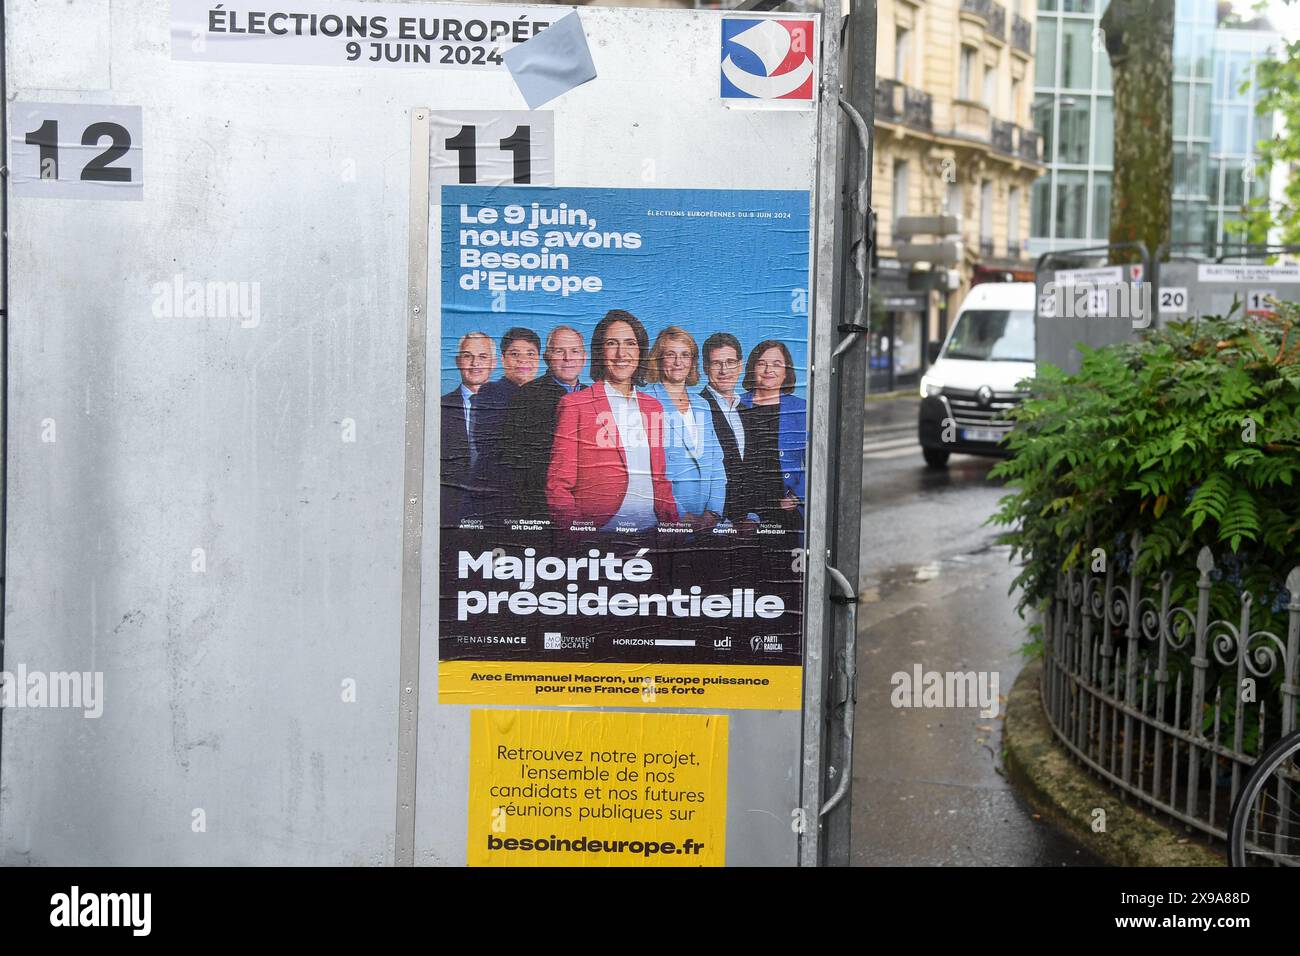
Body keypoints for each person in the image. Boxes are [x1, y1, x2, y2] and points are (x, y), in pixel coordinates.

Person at [546, 310, 678, 531]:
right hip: (600, 535)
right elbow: (558, 486)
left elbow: (659, 480)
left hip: (653, 532)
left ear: (640, 350)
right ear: (600, 351)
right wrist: (578, 534)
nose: (621, 353)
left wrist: (673, 527)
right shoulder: (575, 404)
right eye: (612, 343)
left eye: (630, 343)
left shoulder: (653, 407)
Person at [500, 326, 588, 519]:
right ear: (547, 357)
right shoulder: (526, 396)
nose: (568, 358)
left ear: (584, 356)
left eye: (574, 351)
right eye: (559, 351)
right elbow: (514, 462)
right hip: (542, 505)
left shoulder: (595, 396)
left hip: (592, 505)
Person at [643, 327, 725, 532]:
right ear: (659, 360)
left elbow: (716, 462)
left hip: (707, 520)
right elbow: (644, 470)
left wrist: (713, 513)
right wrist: (680, 515)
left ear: (693, 361)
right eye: (671, 354)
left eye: (685, 355)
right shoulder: (646, 401)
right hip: (667, 518)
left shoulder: (702, 405)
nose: (679, 362)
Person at [463, 327, 540, 521]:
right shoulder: (490, 392)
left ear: (538, 360)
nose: (523, 360)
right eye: (515, 354)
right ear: (504, 359)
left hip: (535, 496)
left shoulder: (547, 395)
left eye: (530, 354)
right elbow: (488, 446)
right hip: (495, 493)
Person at [739, 340, 807, 528]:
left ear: (786, 372)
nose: (769, 369)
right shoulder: (735, 406)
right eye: (762, 363)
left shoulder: (802, 409)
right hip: (742, 509)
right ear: (753, 368)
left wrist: (797, 496)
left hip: (785, 509)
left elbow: (818, 461)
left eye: (777, 364)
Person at [699, 332, 760, 530]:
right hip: (710, 524)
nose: (724, 370)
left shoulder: (748, 411)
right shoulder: (696, 408)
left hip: (747, 525)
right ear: (705, 367)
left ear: (740, 365)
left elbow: (753, 470)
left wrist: (752, 517)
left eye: (730, 362)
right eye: (717, 363)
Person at [440, 332, 494, 527]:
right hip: (449, 514)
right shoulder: (438, 408)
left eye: (482, 356)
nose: (475, 363)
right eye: (467, 356)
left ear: (493, 362)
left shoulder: (513, 406)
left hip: (498, 512)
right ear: (457, 361)